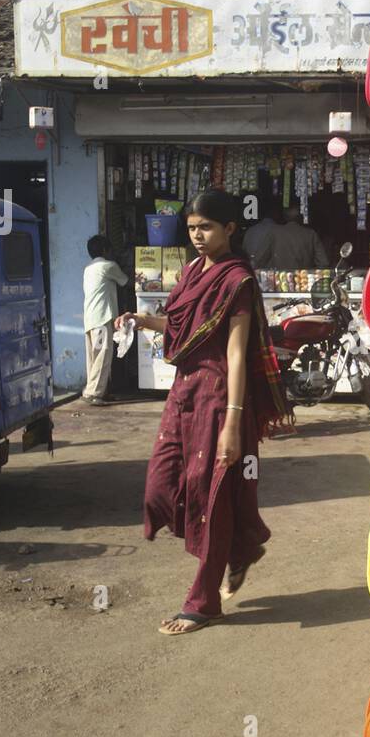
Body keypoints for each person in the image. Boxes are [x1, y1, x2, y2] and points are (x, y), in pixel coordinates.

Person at [115, 190, 290, 635]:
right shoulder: (193, 271)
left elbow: (234, 354)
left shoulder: (237, 281)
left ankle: (203, 601)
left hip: (218, 398)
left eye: (206, 227)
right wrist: (140, 320)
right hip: (184, 396)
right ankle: (239, 547)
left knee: (209, 498)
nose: (197, 235)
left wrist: (233, 421)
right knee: (160, 487)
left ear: (230, 229)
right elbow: (180, 327)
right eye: (192, 227)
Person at [83, 235, 128, 405]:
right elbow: (125, 281)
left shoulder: (88, 267)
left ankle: (99, 390)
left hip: (90, 317)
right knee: (103, 355)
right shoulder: (108, 266)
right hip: (102, 317)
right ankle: (94, 393)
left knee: (94, 357)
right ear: (105, 250)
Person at [250, 204, 330, 271]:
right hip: (303, 282)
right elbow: (323, 264)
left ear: (284, 217)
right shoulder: (311, 234)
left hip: (281, 283)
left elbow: (258, 261)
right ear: (301, 218)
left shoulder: (274, 232)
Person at [242, 195, 281, 270]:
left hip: (251, 271)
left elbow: (244, 252)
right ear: (276, 213)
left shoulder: (250, 230)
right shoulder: (278, 231)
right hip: (270, 273)